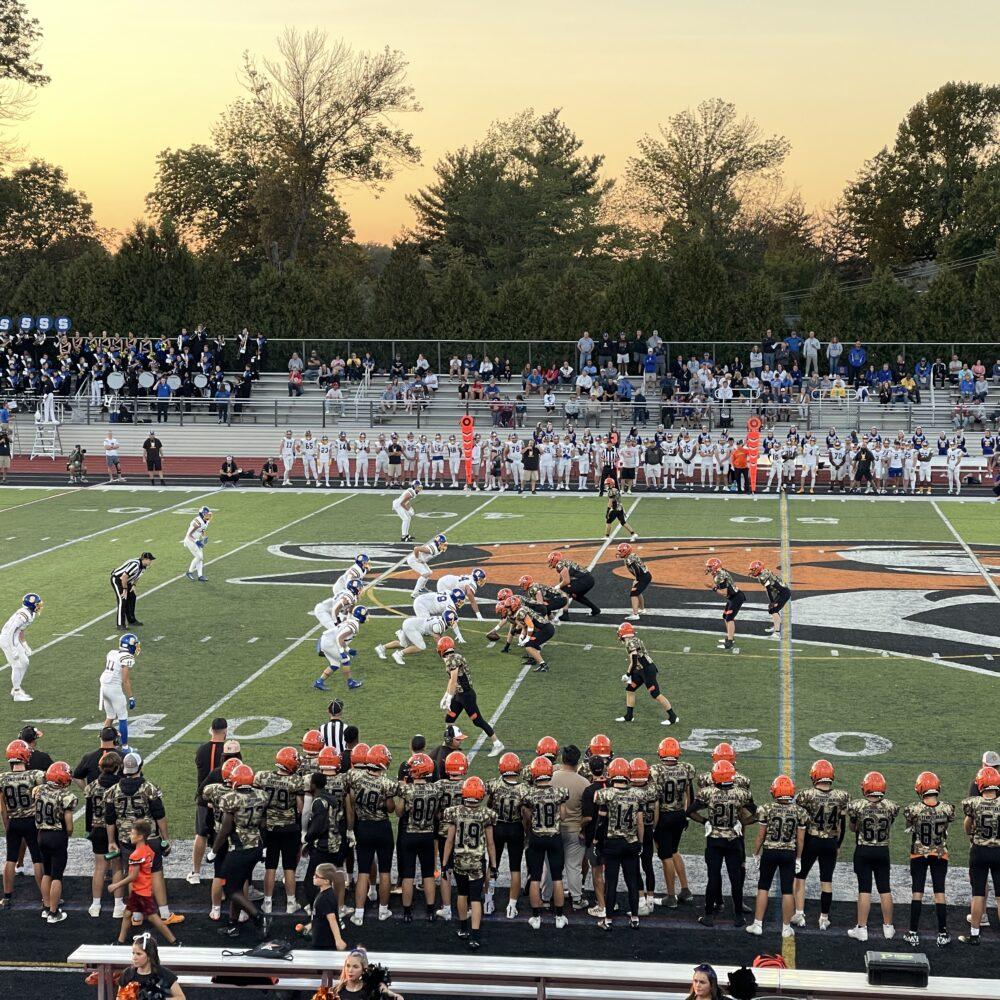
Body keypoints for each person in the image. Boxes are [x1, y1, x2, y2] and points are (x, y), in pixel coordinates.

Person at [689, 759, 754, 927]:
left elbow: (689, 812)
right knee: (736, 879)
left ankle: (709, 916)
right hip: (734, 840)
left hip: (714, 841)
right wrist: (743, 822)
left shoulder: (707, 792)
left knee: (713, 877)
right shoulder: (741, 793)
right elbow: (759, 813)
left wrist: (705, 822)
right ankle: (739, 916)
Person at [746, 775, 807, 938]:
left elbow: (760, 835)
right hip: (789, 853)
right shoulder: (800, 811)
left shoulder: (766, 808)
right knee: (787, 890)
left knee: (763, 886)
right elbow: (800, 839)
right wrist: (799, 858)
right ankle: (786, 928)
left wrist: (756, 853)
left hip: (770, 852)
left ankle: (758, 924)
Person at [441, 775, 497, 949]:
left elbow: (449, 841)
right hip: (476, 862)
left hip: (459, 861)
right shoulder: (487, 814)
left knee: (462, 895)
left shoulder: (454, 812)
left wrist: (444, 864)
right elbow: (490, 843)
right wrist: (493, 865)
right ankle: (475, 936)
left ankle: (463, 929)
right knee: (475, 899)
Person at [792, 759, 848, 930]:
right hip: (830, 842)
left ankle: (800, 914)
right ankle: (824, 918)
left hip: (811, 840)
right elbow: (842, 824)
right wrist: (838, 844)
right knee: (826, 881)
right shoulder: (841, 796)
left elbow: (798, 820)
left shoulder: (806, 795)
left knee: (800, 877)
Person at [109, 818, 180, 946]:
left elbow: (133, 876)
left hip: (140, 891)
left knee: (153, 917)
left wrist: (116, 885)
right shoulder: (148, 850)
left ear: (140, 836)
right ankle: (120, 941)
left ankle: (174, 941)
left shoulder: (136, 855)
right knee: (127, 914)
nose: (130, 835)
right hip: (142, 890)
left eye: (132, 832)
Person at [903, 771, 954, 947]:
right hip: (940, 853)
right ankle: (942, 933)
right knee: (939, 893)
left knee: (917, 891)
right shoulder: (947, 808)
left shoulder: (912, 809)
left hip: (919, 853)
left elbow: (909, 825)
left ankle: (913, 933)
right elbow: (947, 824)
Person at [847, 771, 899, 941]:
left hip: (864, 850)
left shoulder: (857, 806)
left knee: (864, 889)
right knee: (885, 888)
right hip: (882, 851)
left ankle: (862, 928)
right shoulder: (891, 806)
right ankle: (888, 927)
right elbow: (889, 823)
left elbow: (853, 828)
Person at [521, 756, 570, 930]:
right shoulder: (560, 792)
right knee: (557, 878)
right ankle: (559, 916)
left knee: (535, 878)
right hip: (554, 837)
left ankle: (536, 918)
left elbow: (526, 815)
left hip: (536, 837)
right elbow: (563, 817)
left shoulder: (529, 793)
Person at [438, 636, 505, 756]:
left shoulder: (451, 660)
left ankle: (497, 743)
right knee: (449, 719)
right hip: (459, 695)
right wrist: (446, 695)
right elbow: (452, 680)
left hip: (466, 696)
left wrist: (449, 697)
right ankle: (449, 745)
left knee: (478, 721)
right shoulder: (454, 657)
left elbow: (453, 680)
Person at [1, 739, 45, 909]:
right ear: (25, 756)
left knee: (10, 859)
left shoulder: (2, 778)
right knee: (37, 858)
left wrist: (7, 826)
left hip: (13, 821)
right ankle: (45, 896)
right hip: (31, 821)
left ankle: (7, 897)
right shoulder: (35, 775)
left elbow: (2, 808)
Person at [650, 737, 694, 908]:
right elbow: (690, 794)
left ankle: (670, 896)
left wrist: (653, 823)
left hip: (663, 816)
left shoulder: (656, 770)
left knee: (665, 855)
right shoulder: (686, 768)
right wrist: (687, 814)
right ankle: (685, 889)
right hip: (680, 814)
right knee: (674, 850)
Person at [960, 764, 1000, 946]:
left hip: (979, 851)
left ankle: (974, 934)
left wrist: (971, 835)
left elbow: (967, 824)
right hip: (999, 851)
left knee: (978, 894)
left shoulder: (973, 803)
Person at [33, 760, 77, 922]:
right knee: (57, 875)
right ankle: (53, 913)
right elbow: (69, 824)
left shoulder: (38, 789)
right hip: (57, 836)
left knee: (47, 873)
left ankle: (46, 907)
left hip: (41, 835)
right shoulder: (66, 796)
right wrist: (68, 833)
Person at [615, 622, 678, 726]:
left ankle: (673, 717)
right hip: (640, 670)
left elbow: (634, 660)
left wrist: (628, 674)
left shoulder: (629, 642)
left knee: (655, 694)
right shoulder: (636, 639)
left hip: (647, 670)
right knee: (630, 689)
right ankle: (629, 716)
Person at [115, 932, 185, 999]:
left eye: (139, 954)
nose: (134, 957)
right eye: (133, 953)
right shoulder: (128, 973)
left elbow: (181, 997)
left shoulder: (162, 973)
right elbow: (119, 998)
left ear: (149, 956)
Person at [3, 591, 42, 703]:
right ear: (31, 605)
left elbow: (20, 631)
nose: (39, 606)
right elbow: (10, 632)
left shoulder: (31, 614)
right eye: (37, 604)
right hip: (7, 639)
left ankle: (17, 689)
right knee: (17, 665)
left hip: (13, 638)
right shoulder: (22, 615)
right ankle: (16, 693)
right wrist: (13, 649)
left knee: (25, 662)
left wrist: (25, 645)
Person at [330, 948, 405, 1000]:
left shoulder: (371, 989)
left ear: (363, 970)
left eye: (355, 967)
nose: (350, 970)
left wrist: (390, 994)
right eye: (348, 966)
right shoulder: (336, 990)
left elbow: (399, 998)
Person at [705, 557, 744, 651]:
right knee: (725, 616)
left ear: (715, 566)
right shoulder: (719, 573)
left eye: (710, 567)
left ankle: (729, 643)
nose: (709, 568)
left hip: (736, 598)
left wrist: (713, 588)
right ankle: (730, 637)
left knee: (729, 618)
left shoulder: (720, 575)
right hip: (733, 597)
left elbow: (724, 593)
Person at [110, 551, 155, 629]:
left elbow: (138, 576)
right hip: (118, 579)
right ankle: (120, 624)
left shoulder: (144, 566)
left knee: (132, 597)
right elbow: (123, 577)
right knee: (122, 599)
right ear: (145, 559)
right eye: (150, 560)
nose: (151, 561)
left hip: (127, 581)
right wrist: (124, 589)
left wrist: (133, 585)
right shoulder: (135, 565)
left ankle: (131, 620)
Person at [548, 550, 601, 617]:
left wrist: (557, 587)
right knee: (575, 595)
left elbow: (566, 581)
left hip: (584, 580)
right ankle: (595, 609)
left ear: (555, 559)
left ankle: (565, 615)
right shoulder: (565, 562)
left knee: (564, 590)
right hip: (589, 580)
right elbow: (565, 579)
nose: (550, 562)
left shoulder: (559, 565)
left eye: (550, 560)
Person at [310, 862, 348, 951]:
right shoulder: (322, 894)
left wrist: (338, 940)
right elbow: (318, 917)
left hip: (325, 942)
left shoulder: (326, 898)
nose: (313, 877)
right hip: (320, 939)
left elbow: (332, 919)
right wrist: (309, 927)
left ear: (326, 881)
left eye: (317, 876)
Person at [747, 561, 791, 637]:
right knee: (773, 609)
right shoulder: (764, 572)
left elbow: (769, 589)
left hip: (783, 592)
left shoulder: (762, 576)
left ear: (758, 569)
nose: (752, 572)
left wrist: (773, 602)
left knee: (774, 610)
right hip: (781, 591)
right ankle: (776, 626)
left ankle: (777, 632)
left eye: (753, 570)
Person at [618, 542, 651, 620]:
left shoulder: (629, 559)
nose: (619, 553)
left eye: (621, 551)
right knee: (637, 592)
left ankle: (635, 614)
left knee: (633, 593)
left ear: (625, 551)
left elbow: (637, 570)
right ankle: (642, 610)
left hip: (643, 577)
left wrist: (637, 579)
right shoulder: (632, 555)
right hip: (646, 575)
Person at [183, 505, 213, 582]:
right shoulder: (197, 522)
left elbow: (202, 530)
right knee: (199, 557)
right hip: (190, 540)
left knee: (200, 558)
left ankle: (200, 576)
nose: (208, 515)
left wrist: (204, 537)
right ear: (202, 514)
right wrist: (196, 541)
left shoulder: (206, 521)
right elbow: (189, 535)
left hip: (196, 540)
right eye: (206, 514)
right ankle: (189, 572)